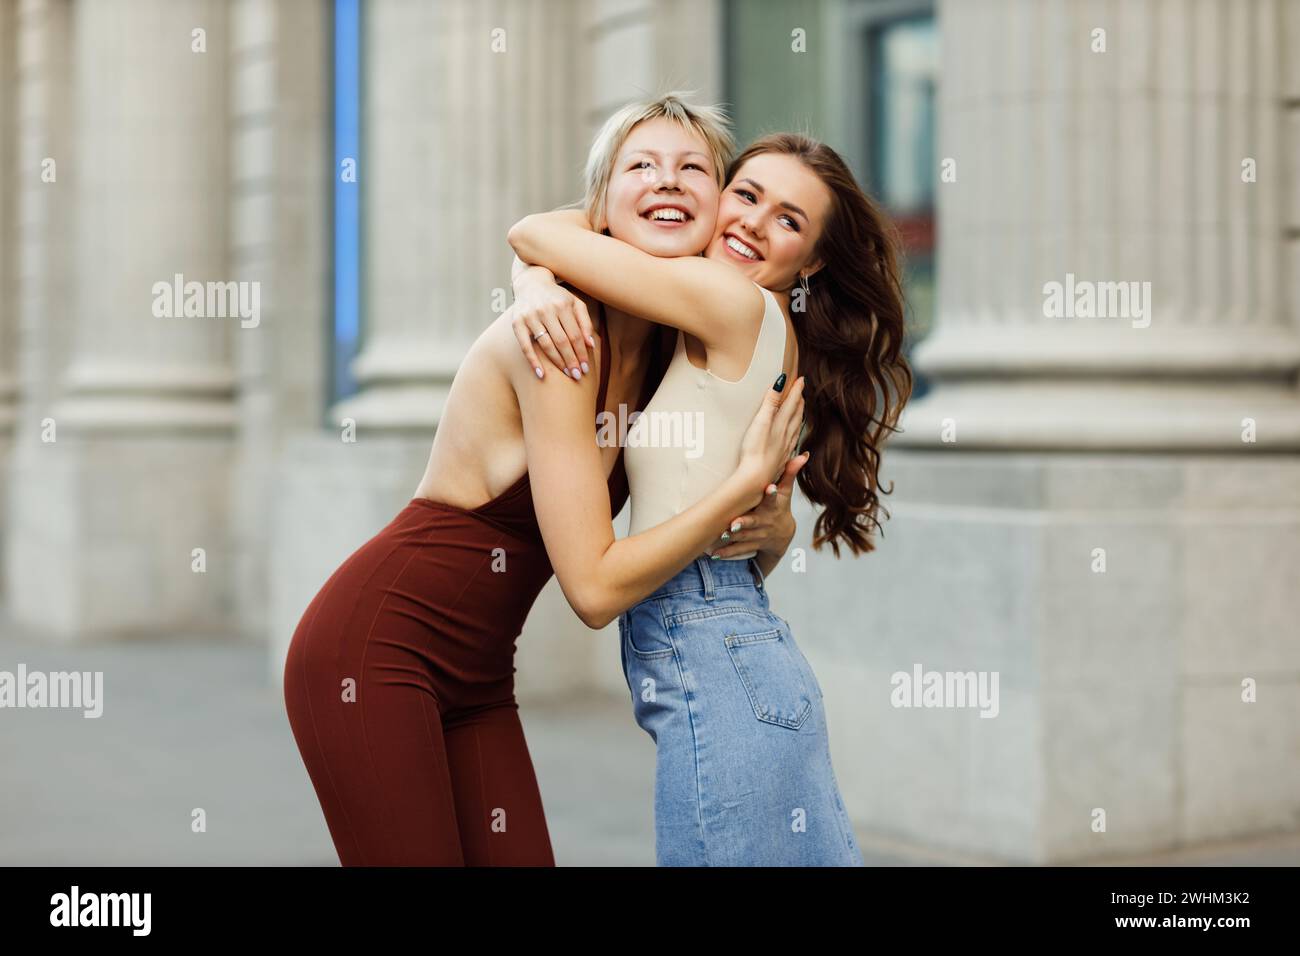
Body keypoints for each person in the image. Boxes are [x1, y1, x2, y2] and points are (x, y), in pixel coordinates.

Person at [282, 94, 805, 866]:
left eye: (693, 169)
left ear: (716, 208)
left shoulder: (672, 349)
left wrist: (774, 524)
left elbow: (718, 544)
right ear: (599, 205)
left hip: (482, 675)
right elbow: (592, 592)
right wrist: (536, 283)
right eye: (642, 166)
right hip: (372, 651)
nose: (668, 182)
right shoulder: (562, 337)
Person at [508, 123, 913, 864]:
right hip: (743, 645)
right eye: (747, 195)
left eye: (787, 219)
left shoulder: (725, 300)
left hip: (717, 664)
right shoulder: (745, 322)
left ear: (814, 259)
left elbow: (541, 229)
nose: (754, 224)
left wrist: (531, 272)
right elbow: (734, 555)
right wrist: (533, 279)